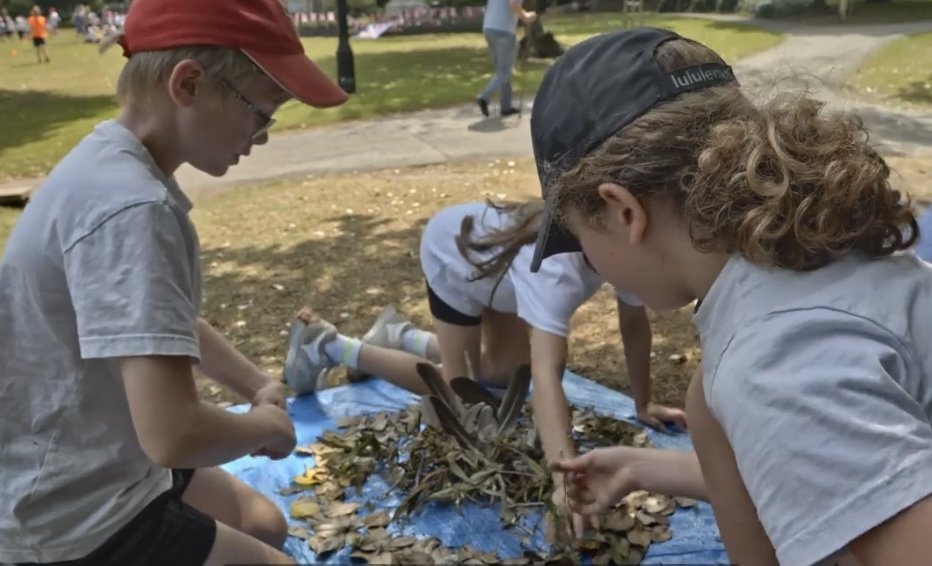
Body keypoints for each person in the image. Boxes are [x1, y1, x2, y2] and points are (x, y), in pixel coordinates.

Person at [530, 26, 932, 565]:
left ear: (624, 212)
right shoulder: (806, 257)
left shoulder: (776, 362)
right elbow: (829, 456)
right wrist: (640, 467)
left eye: (579, 238)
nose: (587, 261)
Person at [0, 0, 349, 564]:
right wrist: (265, 428)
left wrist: (253, 381)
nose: (262, 135)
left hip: (102, 455)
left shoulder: (106, 159)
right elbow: (174, 435)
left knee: (266, 525)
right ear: (187, 85)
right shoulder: (134, 209)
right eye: (261, 112)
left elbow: (153, 315)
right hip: (67, 509)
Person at [284, 199, 687, 534]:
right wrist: (564, 481)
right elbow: (547, 377)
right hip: (455, 259)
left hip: (501, 272)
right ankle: (331, 344)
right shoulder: (554, 273)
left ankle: (402, 336)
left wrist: (644, 404)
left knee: (499, 381)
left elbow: (634, 324)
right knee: (460, 394)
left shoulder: (620, 246)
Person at [475, 0, 535, 118]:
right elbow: (513, 5)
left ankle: (505, 106)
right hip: (504, 31)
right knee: (504, 71)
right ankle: (484, 97)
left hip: (489, 28)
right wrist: (526, 16)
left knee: (501, 70)